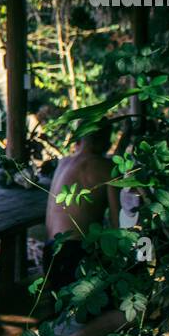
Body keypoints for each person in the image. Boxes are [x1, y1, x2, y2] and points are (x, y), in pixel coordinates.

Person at [42, 121, 119, 293]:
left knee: (63, 311)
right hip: (75, 254)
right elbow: (117, 224)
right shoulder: (107, 168)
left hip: (49, 251)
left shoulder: (63, 163)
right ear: (105, 142)